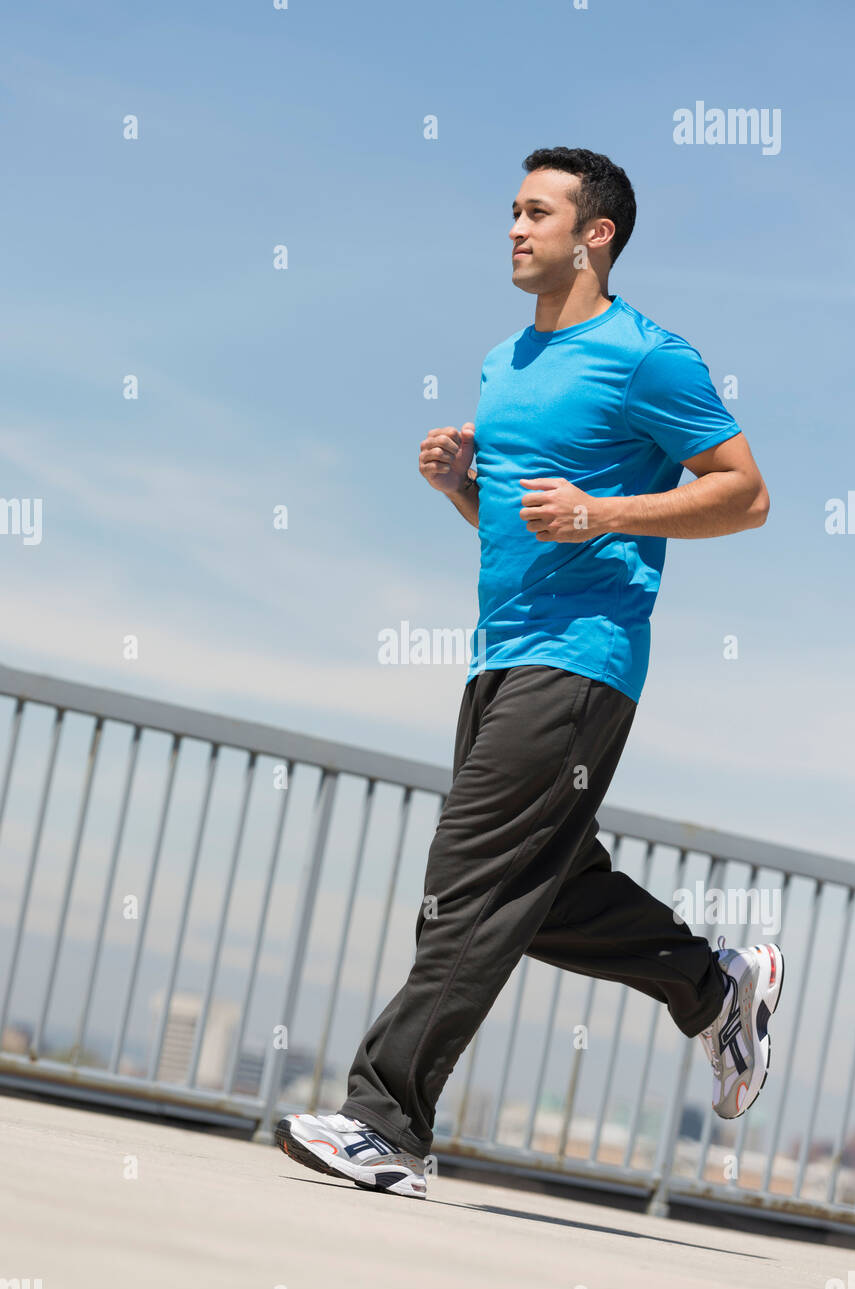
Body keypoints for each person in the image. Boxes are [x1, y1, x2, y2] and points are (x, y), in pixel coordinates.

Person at [276, 146, 784, 1200]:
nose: (514, 227)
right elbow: (518, 530)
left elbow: (744, 494)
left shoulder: (647, 356)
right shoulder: (503, 364)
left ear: (594, 235)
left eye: (536, 211)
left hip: (584, 658)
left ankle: (386, 1123)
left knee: (468, 889)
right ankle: (709, 982)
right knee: (538, 895)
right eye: (511, 209)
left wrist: (605, 510)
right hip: (498, 653)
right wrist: (464, 489)